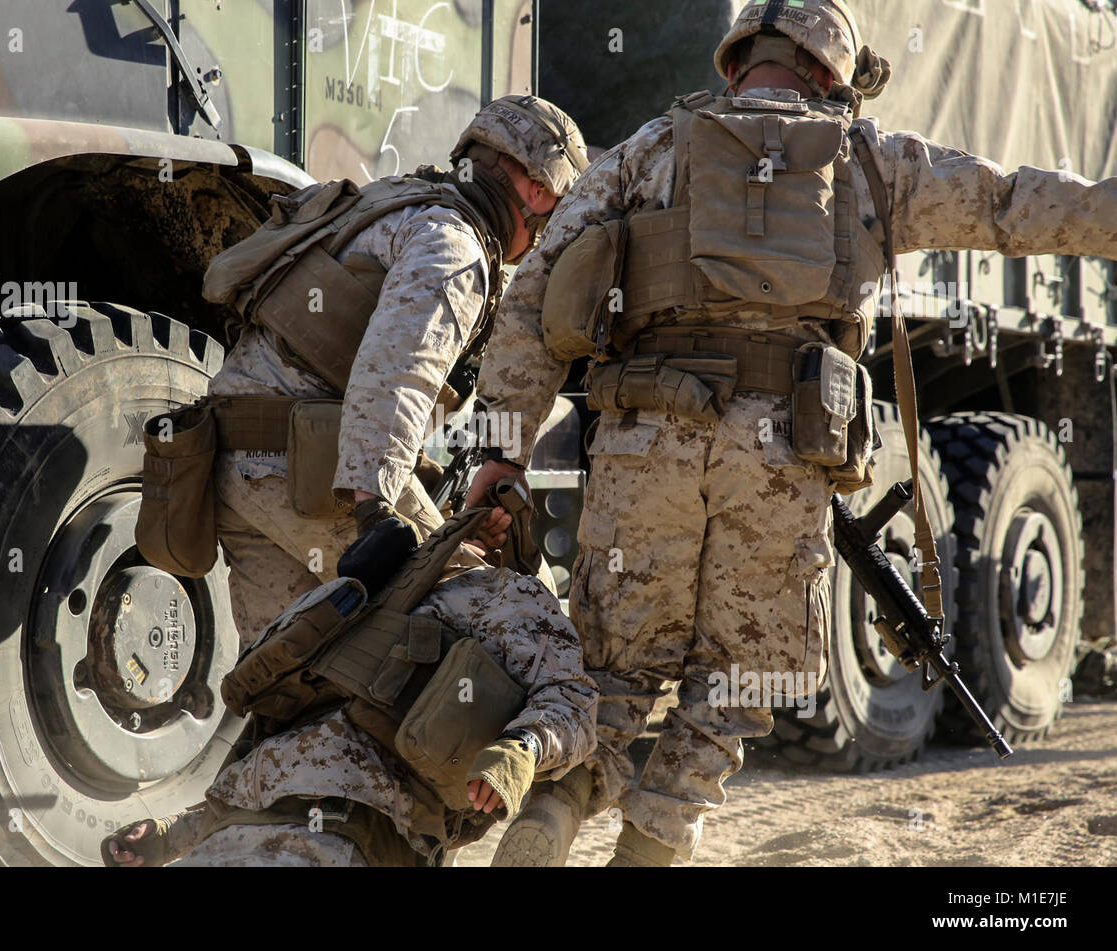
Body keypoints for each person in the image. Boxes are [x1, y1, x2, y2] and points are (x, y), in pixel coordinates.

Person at [471, 0, 1117, 866]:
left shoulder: (646, 151)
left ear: (737, 63)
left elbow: (531, 307)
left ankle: (552, 812)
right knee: (734, 687)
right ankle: (646, 853)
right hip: (777, 455)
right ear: (833, 78)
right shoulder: (875, 160)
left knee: (615, 673)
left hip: (643, 445)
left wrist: (501, 453)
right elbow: (1011, 206)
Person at [203, 95, 588, 647]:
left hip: (234, 465)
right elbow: (396, 374)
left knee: (288, 677)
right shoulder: (455, 247)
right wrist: (377, 514)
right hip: (315, 477)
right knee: (510, 638)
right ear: (538, 189)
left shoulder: (385, 205)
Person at [103, 507, 597, 866]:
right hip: (241, 822)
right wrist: (170, 836)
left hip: (355, 833)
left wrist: (523, 748)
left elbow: (572, 703)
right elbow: (290, 743)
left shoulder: (514, 598)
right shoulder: (373, 590)